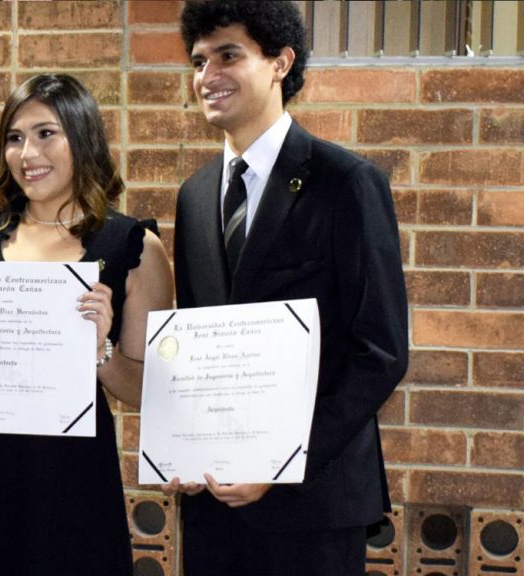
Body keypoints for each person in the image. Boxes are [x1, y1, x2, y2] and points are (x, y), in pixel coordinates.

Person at [165, 2, 408, 575]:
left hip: (312, 502)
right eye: (198, 61)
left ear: (280, 62)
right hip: (212, 504)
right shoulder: (195, 196)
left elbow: (380, 351)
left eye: (229, 55)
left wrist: (281, 461)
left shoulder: (346, 184)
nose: (207, 76)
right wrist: (182, 445)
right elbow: (201, 341)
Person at [0, 74, 174, 575]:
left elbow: (146, 391)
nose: (28, 153)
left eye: (46, 133)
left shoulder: (132, 246)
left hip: (70, 487)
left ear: (83, 137)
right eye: (14, 137)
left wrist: (99, 352)